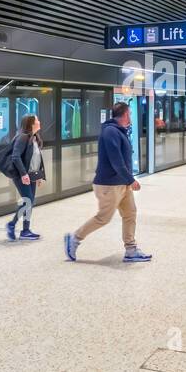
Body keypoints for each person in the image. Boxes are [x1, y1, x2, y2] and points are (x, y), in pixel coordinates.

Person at [64, 101, 151, 262]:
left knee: (130, 213)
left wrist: (127, 181)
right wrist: (131, 180)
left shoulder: (119, 131)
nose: (131, 116)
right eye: (130, 114)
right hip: (109, 184)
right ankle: (74, 238)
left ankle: (131, 250)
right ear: (125, 114)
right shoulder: (110, 132)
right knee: (103, 218)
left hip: (121, 183)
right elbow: (116, 161)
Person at [5, 114, 45, 241]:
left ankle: (25, 230)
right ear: (31, 123)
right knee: (28, 201)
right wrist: (23, 174)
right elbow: (15, 157)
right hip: (22, 175)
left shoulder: (34, 138)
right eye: (37, 120)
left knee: (29, 202)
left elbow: (35, 159)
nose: (39, 121)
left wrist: (38, 176)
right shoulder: (23, 137)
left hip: (31, 175)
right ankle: (12, 225)